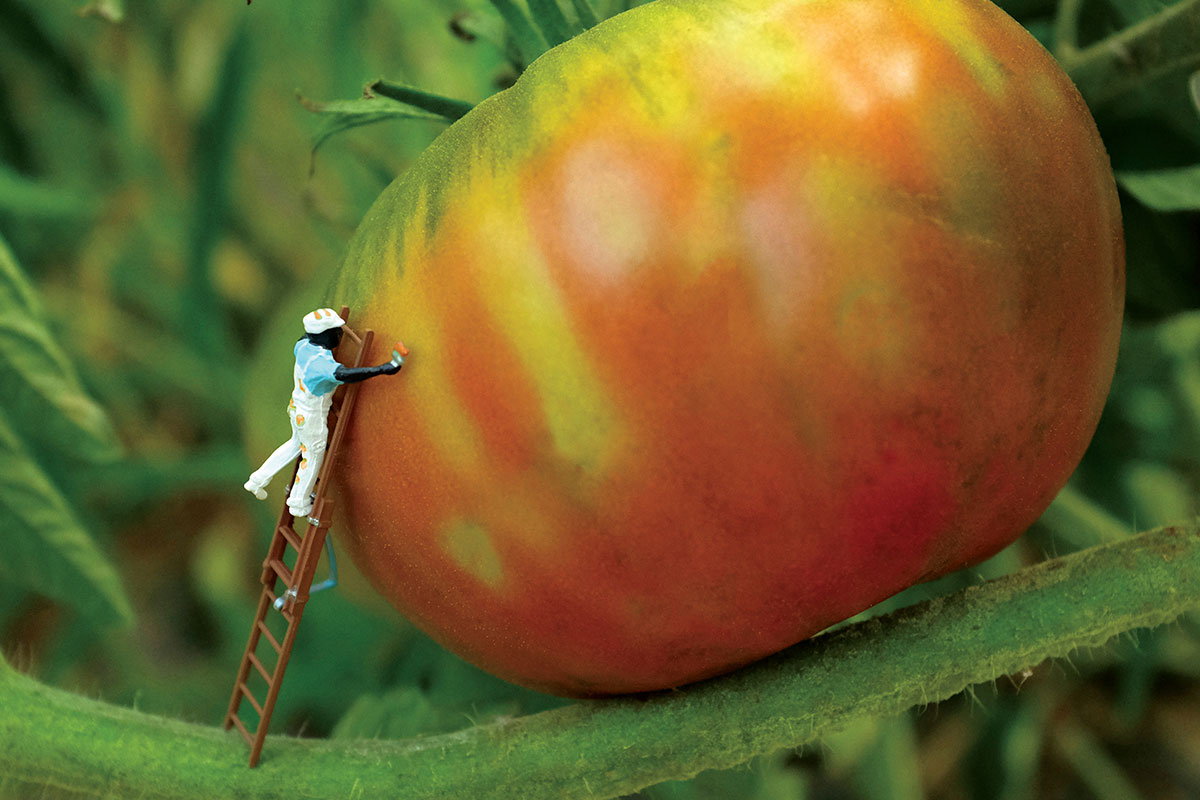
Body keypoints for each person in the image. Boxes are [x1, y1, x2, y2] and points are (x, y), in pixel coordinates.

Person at [244, 307, 402, 518]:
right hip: (311, 415)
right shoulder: (321, 364)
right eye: (336, 331)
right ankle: (299, 502)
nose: (340, 334)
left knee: (293, 445)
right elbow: (346, 374)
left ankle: (256, 480)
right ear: (325, 335)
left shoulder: (303, 345)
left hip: (296, 407)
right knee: (313, 455)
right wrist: (382, 368)